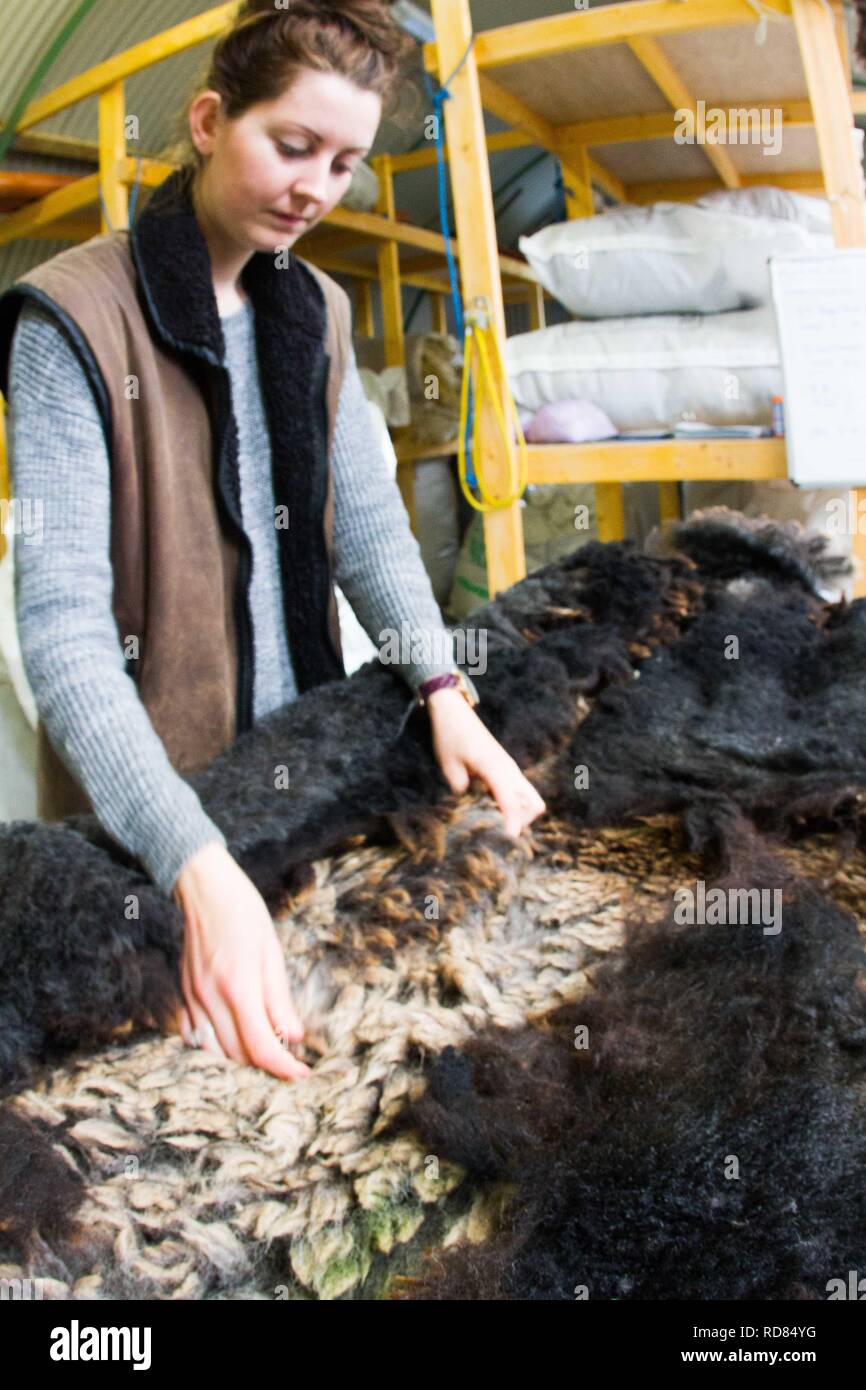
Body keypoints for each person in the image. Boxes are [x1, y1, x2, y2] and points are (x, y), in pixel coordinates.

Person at [0, 0, 545, 1083]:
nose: (314, 188)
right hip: (150, 809)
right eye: (290, 145)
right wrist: (190, 856)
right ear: (207, 120)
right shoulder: (70, 319)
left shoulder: (319, 313)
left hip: (298, 778)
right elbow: (61, 634)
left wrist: (442, 686)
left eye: (343, 163)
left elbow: (371, 527)